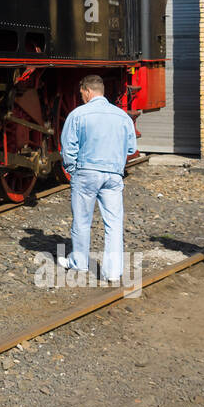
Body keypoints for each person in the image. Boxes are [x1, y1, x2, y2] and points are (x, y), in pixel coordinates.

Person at [57, 74, 138, 283]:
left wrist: (73, 170)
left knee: (82, 221)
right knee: (114, 223)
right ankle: (113, 272)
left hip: (86, 173)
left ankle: (80, 263)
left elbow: (68, 148)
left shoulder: (78, 114)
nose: (81, 97)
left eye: (82, 93)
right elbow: (131, 148)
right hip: (113, 175)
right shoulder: (122, 116)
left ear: (87, 91)